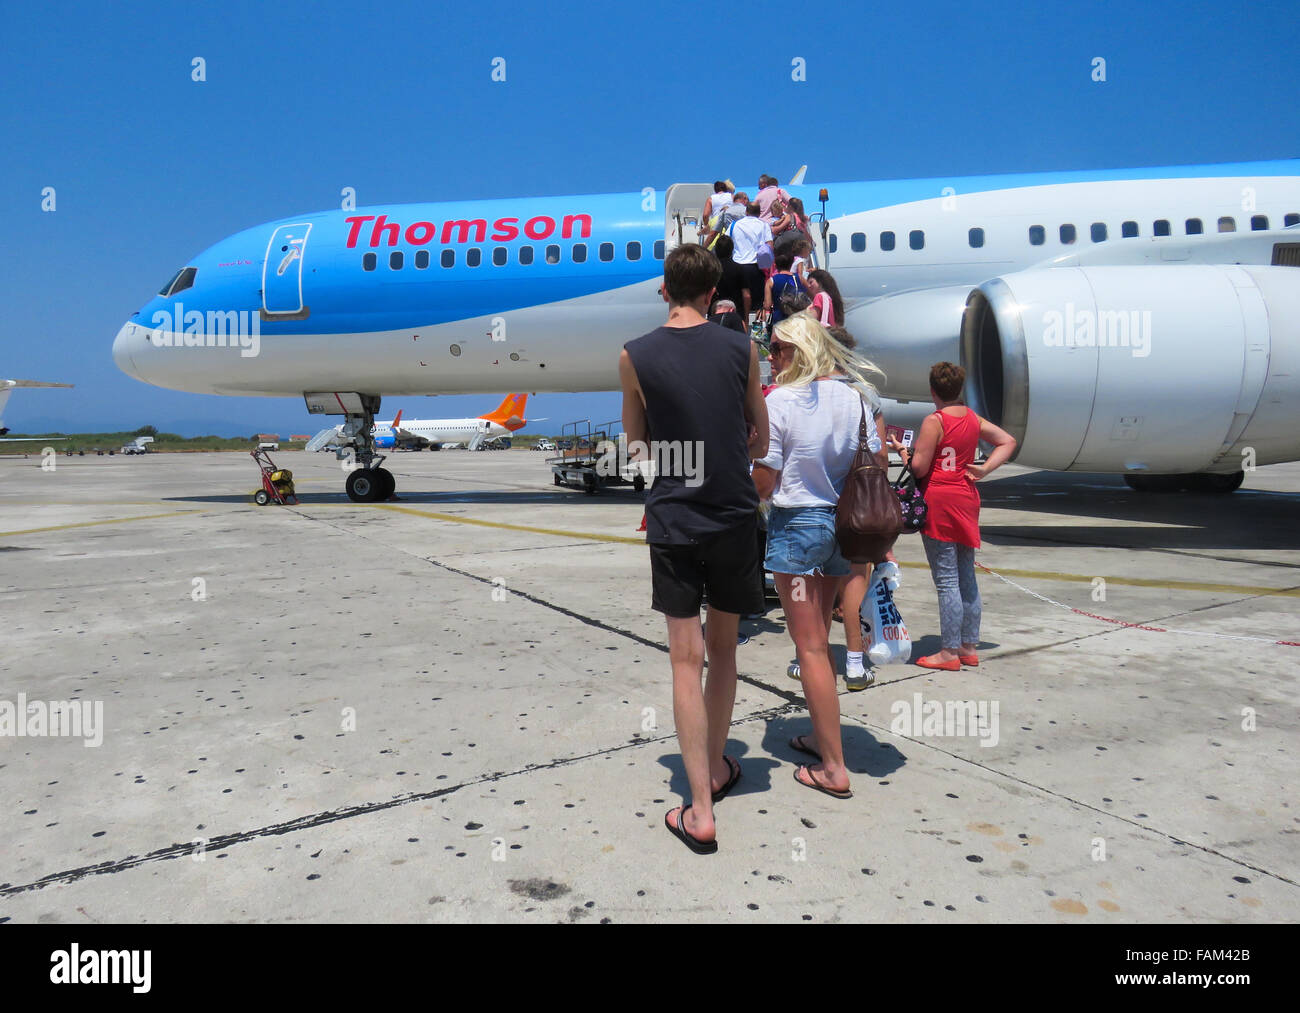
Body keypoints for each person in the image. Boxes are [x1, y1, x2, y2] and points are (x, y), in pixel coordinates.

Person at [621, 244, 770, 852]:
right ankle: (714, 766)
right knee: (724, 650)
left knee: (686, 660)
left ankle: (699, 810)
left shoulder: (634, 355)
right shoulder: (742, 349)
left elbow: (636, 449)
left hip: (674, 519)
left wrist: (677, 461)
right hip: (733, 515)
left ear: (664, 290)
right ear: (713, 293)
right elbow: (760, 440)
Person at [752, 314, 887, 799]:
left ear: (801, 351)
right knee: (819, 642)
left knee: (809, 647)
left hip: (798, 528)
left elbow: (765, 482)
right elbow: (878, 461)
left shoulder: (781, 400)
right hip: (842, 526)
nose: (771, 357)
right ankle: (821, 737)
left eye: (778, 348)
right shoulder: (855, 399)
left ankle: (834, 767)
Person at [889, 362, 1016, 670]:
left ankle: (948, 652)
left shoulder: (935, 421)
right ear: (959, 389)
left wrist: (903, 452)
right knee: (966, 575)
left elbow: (919, 468)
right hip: (966, 497)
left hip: (940, 500)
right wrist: (985, 468)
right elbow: (1008, 441)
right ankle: (967, 646)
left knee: (946, 579)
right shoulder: (973, 418)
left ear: (933, 391)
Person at [728, 203, 773, 331]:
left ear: (746, 212)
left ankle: (739, 329)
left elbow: (726, 240)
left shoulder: (734, 225)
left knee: (738, 303)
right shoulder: (764, 225)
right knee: (759, 304)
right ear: (759, 213)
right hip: (755, 267)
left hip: (737, 266)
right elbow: (769, 245)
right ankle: (759, 334)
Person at [712, 235, 752, 325]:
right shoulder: (740, 269)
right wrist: (746, 318)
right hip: (736, 314)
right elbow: (746, 296)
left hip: (715, 314)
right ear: (731, 250)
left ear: (716, 250)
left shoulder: (711, 270)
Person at [763, 248, 806, 329]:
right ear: (791, 264)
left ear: (775, 265)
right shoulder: (799, 278)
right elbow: (811, 295)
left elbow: (767, 305)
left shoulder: (771, 281)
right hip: (797, 318)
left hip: (779, 320)